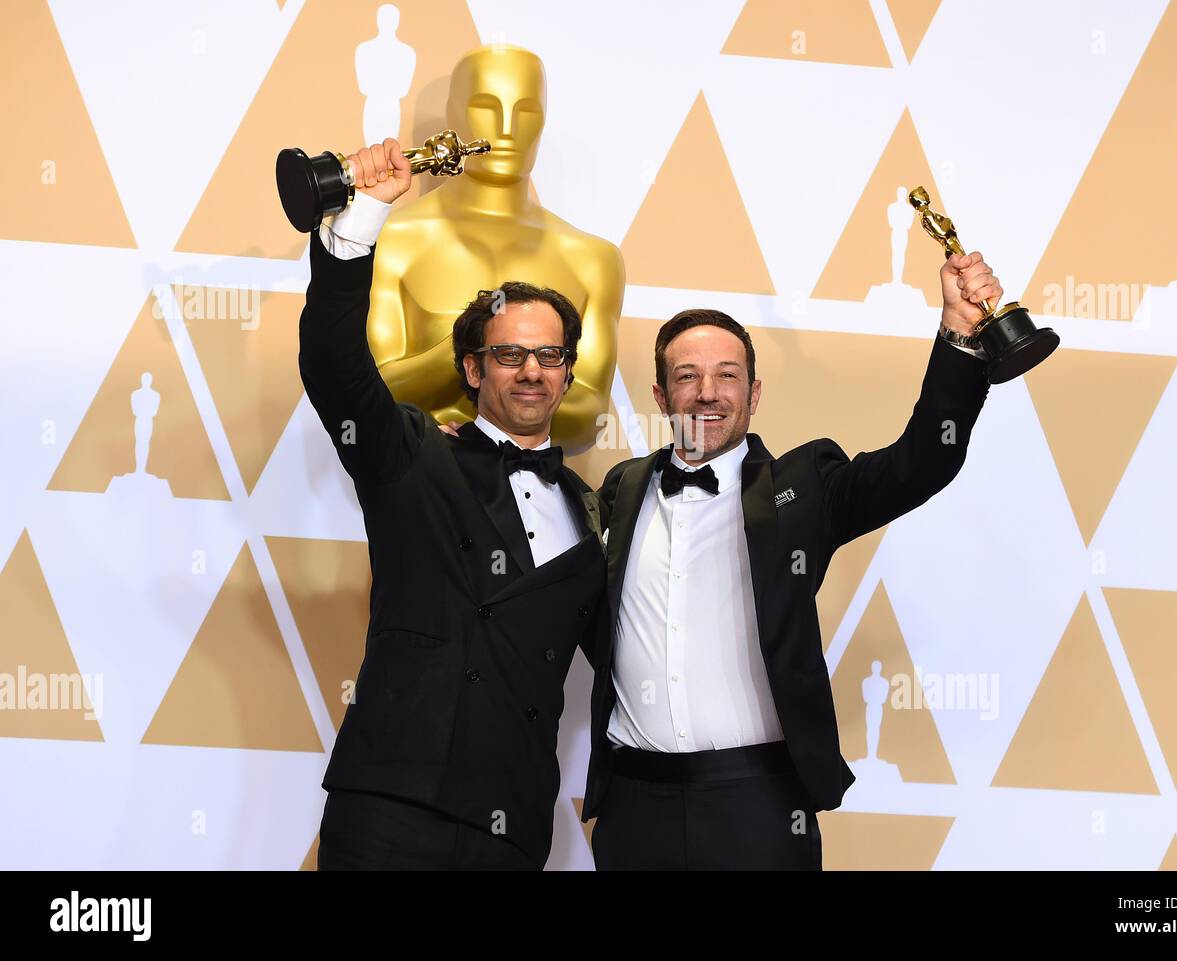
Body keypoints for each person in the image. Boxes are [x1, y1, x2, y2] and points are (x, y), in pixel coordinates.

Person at [582, 252, 1000, 869]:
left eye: (727, 376)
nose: (707, 393)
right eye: (687, 376)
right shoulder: (621, 489)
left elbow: (921, 461)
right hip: (634, 808)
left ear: (753, 393)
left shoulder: (803, 488)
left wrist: (960, 337)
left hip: (761, 804)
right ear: (659, 394)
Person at [300, 139, 606, 870]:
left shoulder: (596, 514)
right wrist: (364, 219)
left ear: (566, 374)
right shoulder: (412, 454)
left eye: (550, 355)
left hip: (509, 830)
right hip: (386, 809)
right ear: (472, 368)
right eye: (509, 354)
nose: (532, 369)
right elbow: (335, 364)